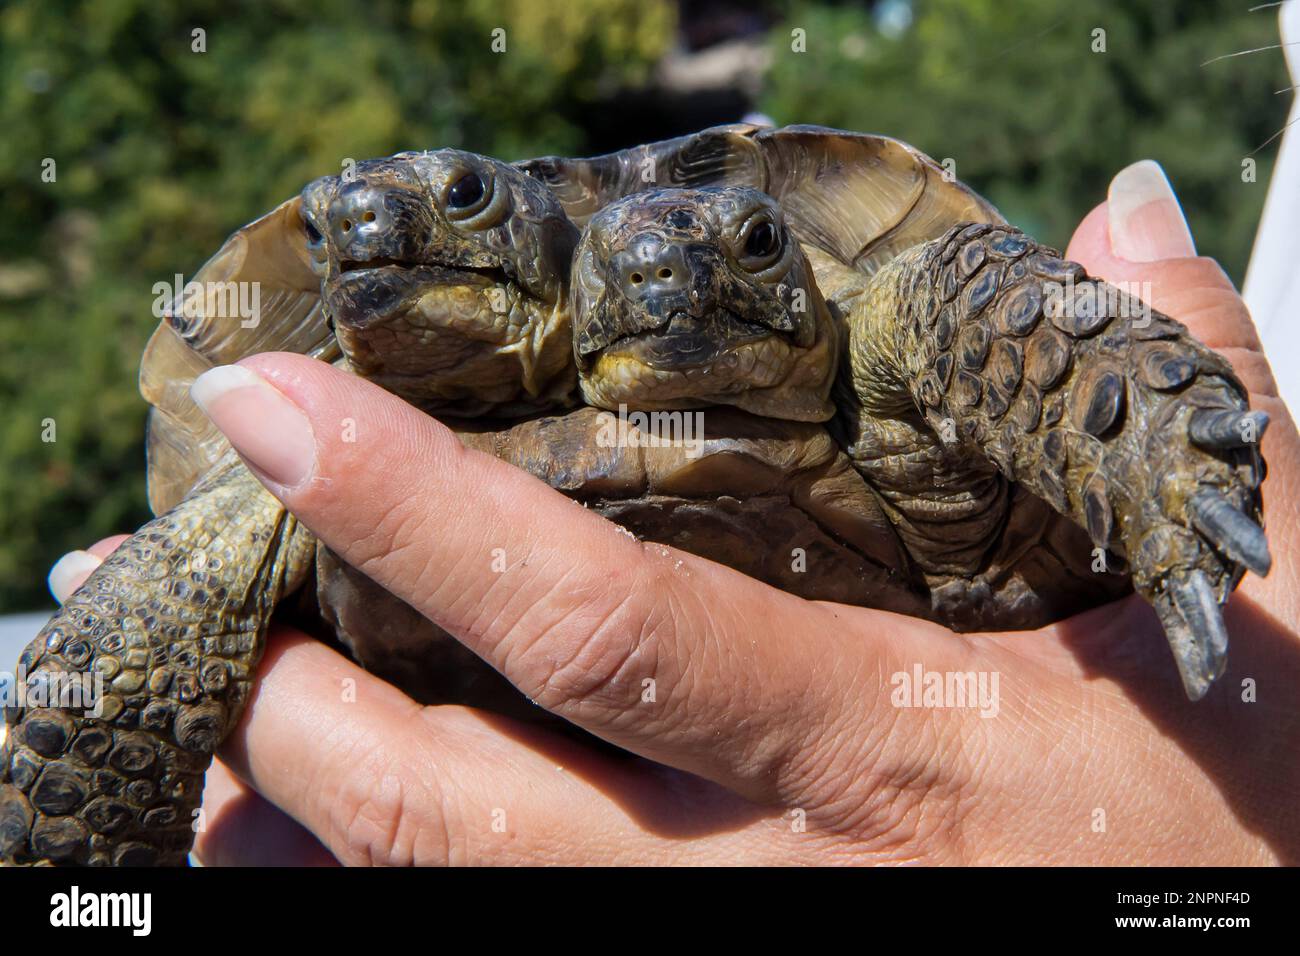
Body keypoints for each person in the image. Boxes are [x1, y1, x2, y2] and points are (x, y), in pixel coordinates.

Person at [49, 161, 1300, 865]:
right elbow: (132, 643)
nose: (668, 273)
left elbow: (994, 307)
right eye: (340, 224)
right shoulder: (293, 454)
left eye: (752, 244)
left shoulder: (899, 318)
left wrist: (1161, 462)